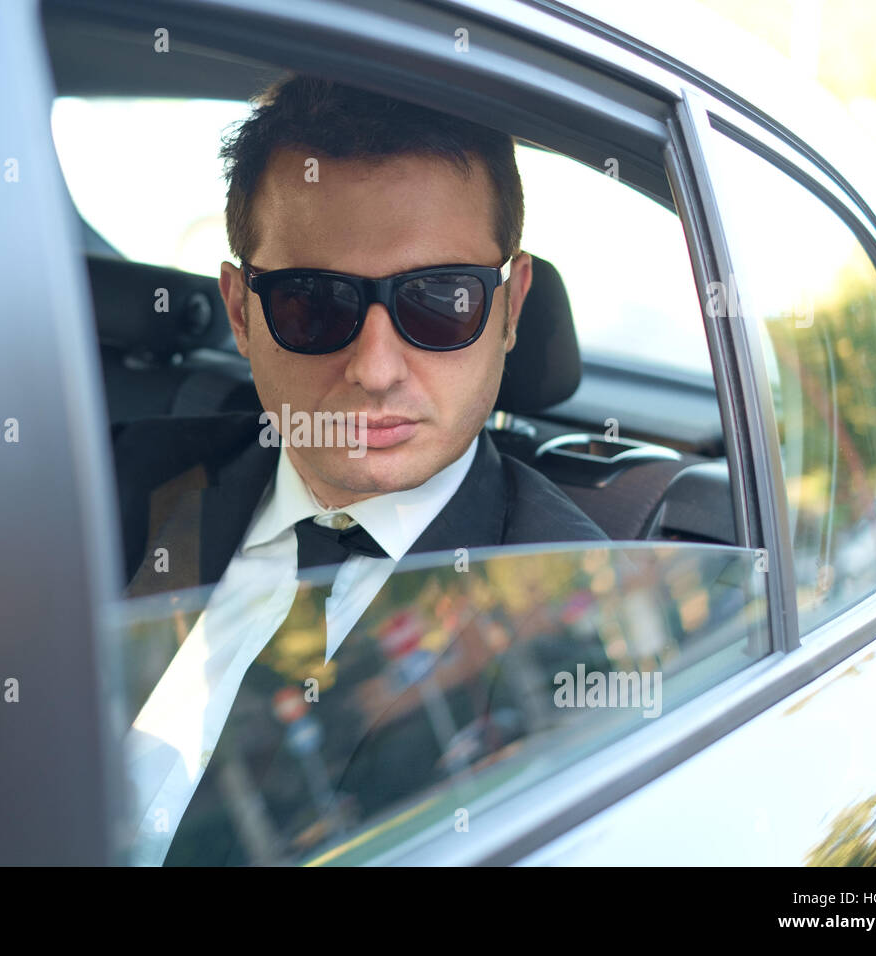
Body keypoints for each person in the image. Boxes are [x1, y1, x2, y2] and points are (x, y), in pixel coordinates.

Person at [114, 75, 607, 865]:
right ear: (241, 312)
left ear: (511, 308)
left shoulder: (570, 613)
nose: (375, 369)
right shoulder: (111, 484)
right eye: (314, 303)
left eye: (440, 301)